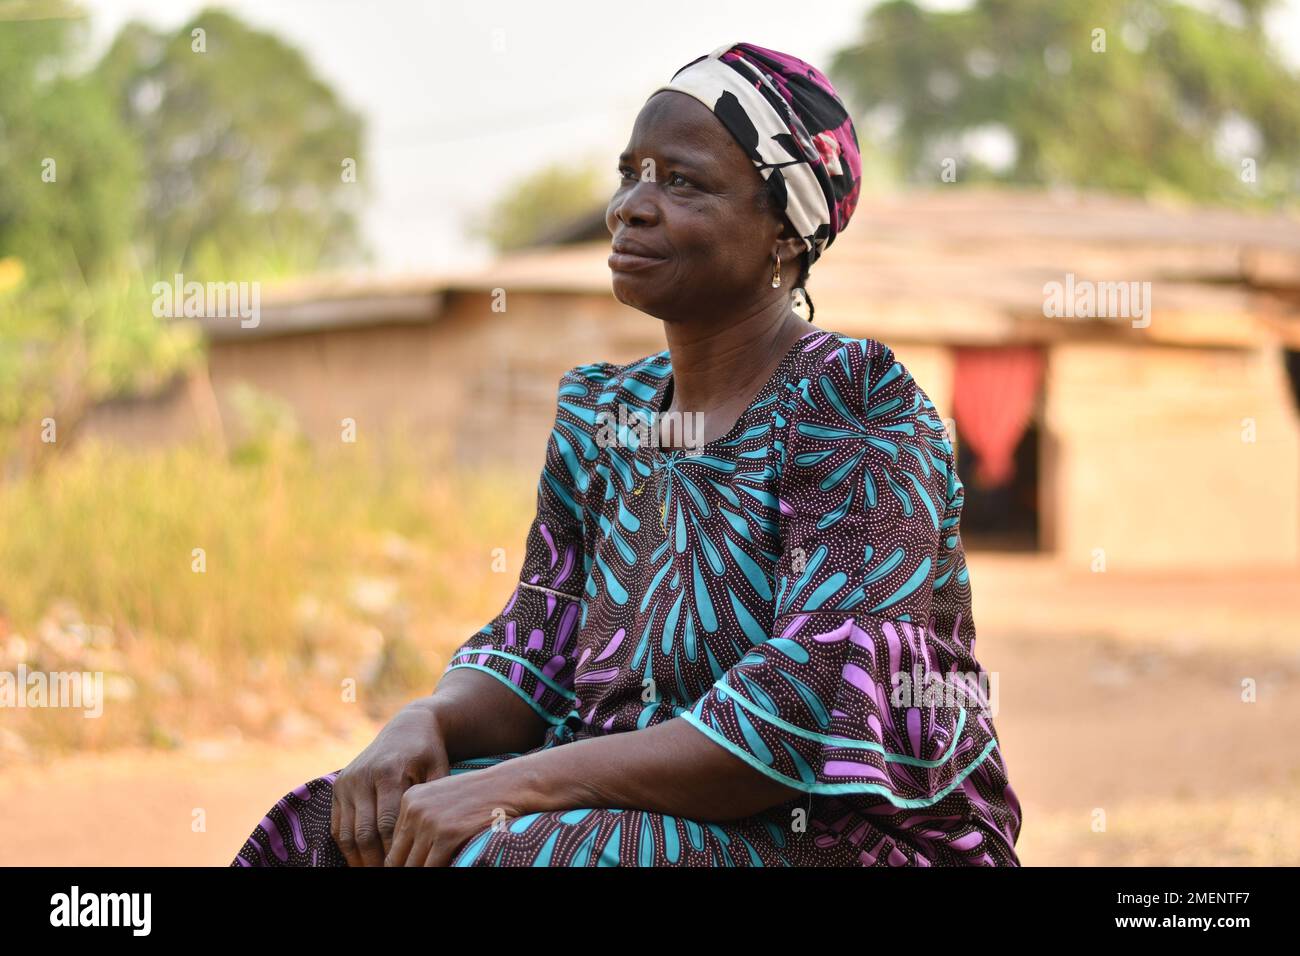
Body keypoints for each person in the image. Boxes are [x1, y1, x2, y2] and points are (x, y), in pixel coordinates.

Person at [231, 41, 1022, 867]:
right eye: (630, 174)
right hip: (612, 798)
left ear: (783, 234)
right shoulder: (602, 416)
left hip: (835, 831)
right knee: (331, 828)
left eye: (681, 182)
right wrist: (425, 720)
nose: (630, 208)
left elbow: (803, 710)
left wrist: (518, 787)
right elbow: (537, 639)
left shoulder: (856, 407)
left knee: (519, 852)